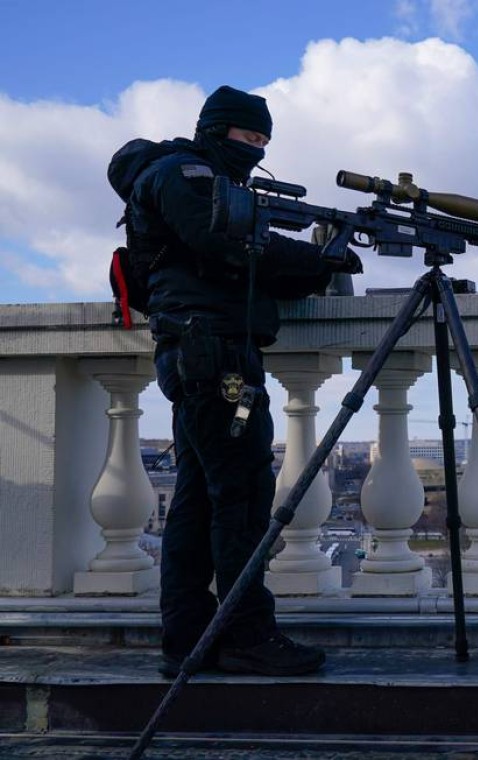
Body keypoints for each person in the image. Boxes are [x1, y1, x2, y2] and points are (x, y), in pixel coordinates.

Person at [107, 85, 362, 678]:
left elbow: (249, 265)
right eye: (249, 136)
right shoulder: (183, 174)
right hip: (211, 357)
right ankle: (246, 635)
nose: (257, 148)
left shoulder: (211, 182)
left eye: (264, 140)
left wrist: (317, 264)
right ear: (216, 129)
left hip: (211, 352)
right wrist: (310, 260)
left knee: (199, 503)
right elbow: (223, 244)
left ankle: (189, 641)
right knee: (242, 499)